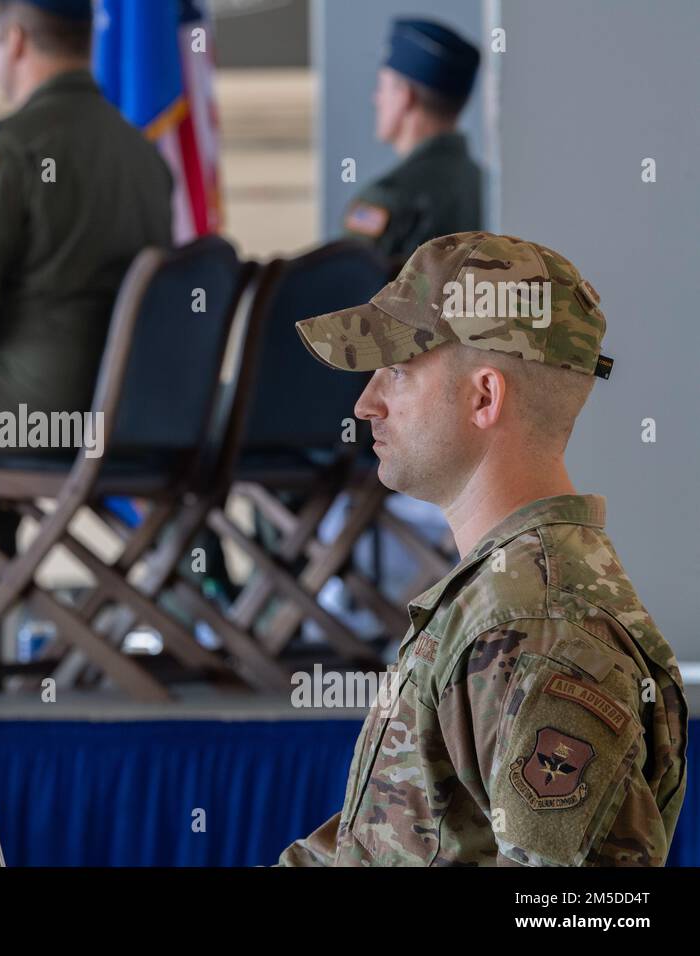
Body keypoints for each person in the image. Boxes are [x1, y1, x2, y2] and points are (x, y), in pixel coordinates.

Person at [278, 232, 687, 866]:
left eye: (398, 371)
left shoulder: (536, 626)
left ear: (484, 397)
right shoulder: (503, 599)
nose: (366, 404)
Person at [0, 0, 173, 640]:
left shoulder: (8, 149)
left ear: (13, 40)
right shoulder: (143, 156)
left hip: (37, 410)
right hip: (130, 416)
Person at [342, 18, 482, 260]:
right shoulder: (482, 184)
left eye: (382, 87)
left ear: (405, 96)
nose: (376, 99)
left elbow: (347, 288)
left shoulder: (389, 198)